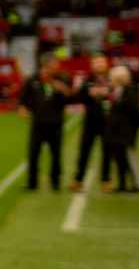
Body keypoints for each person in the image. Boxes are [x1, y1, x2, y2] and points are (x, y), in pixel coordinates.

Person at [20, 57, 70, 191]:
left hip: (56, 124)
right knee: (33, 153)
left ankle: (55, 182)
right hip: (38, 124)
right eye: (54, 65)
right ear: (46, 66)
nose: (57, 68)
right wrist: (23, 108)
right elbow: (24, 98)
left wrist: (62, 89)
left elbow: (69, 98)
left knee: (56, 154)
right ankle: (32, 183)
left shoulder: (62, 79)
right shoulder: (32, 80)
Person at [70, 54, 111, 192]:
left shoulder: (111, 79)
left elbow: (118, 96)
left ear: (106, 64)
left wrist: (106, 93)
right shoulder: (87, 81)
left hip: (107, 122)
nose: (99, 65)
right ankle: (78, 180)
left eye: (101, 62)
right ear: (92, 66)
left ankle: (105, 181)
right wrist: (89, 94)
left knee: (107, 152)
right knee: (84, 151)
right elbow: (77, 98)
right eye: (96, 63)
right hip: (90, 122)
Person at [105, 64, 139, 193]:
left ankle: (137, 184)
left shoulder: (131, 91)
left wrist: (133, 129)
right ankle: (122, 183)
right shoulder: (116, 91)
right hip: (116, 132)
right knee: (119, 158)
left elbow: (137, 113)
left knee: (129, 157)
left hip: (127, 132)